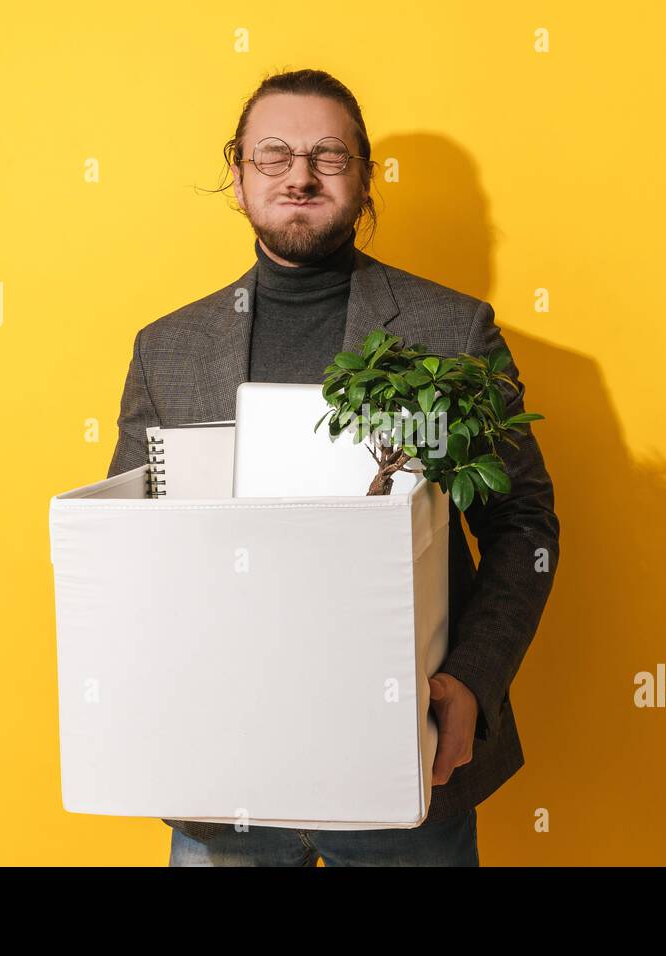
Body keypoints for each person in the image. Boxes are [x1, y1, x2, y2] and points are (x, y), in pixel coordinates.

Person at [106, 68, 559, 866]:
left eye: (328, 155)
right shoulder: (167, 350)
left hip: (406, 753)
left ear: (364, 180)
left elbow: (523, 525)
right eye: (272, 154)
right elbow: (134, 547)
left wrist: (471, 682)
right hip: (220, 761)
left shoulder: (454, 330)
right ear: (238, 177)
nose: (300, 175)